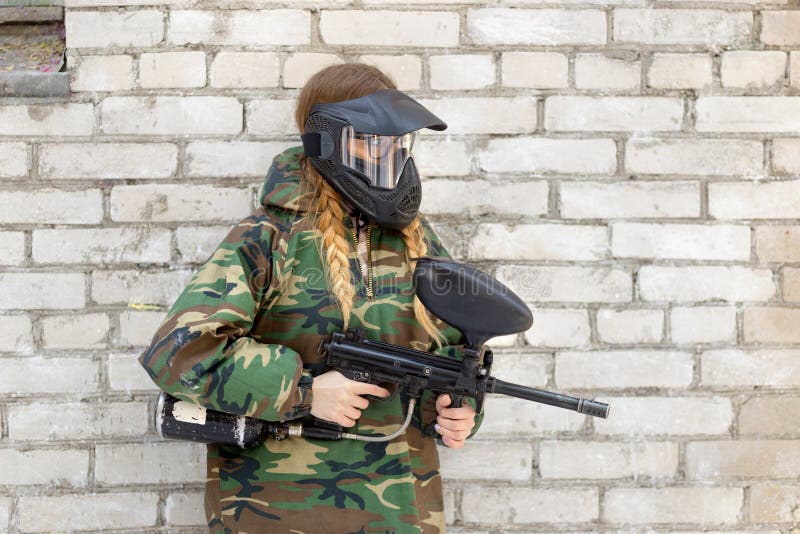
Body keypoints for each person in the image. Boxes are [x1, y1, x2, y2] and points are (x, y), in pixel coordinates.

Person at [139, 62, 485, 533]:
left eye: (393, 141)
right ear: (327, 140)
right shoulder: (269, 238)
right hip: (275, 511)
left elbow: (454, 354)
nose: (386, 154)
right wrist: (305, 391)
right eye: (368, 138)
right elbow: (178, 352)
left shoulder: (419, 245)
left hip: (401, 510)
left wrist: (460, 411)